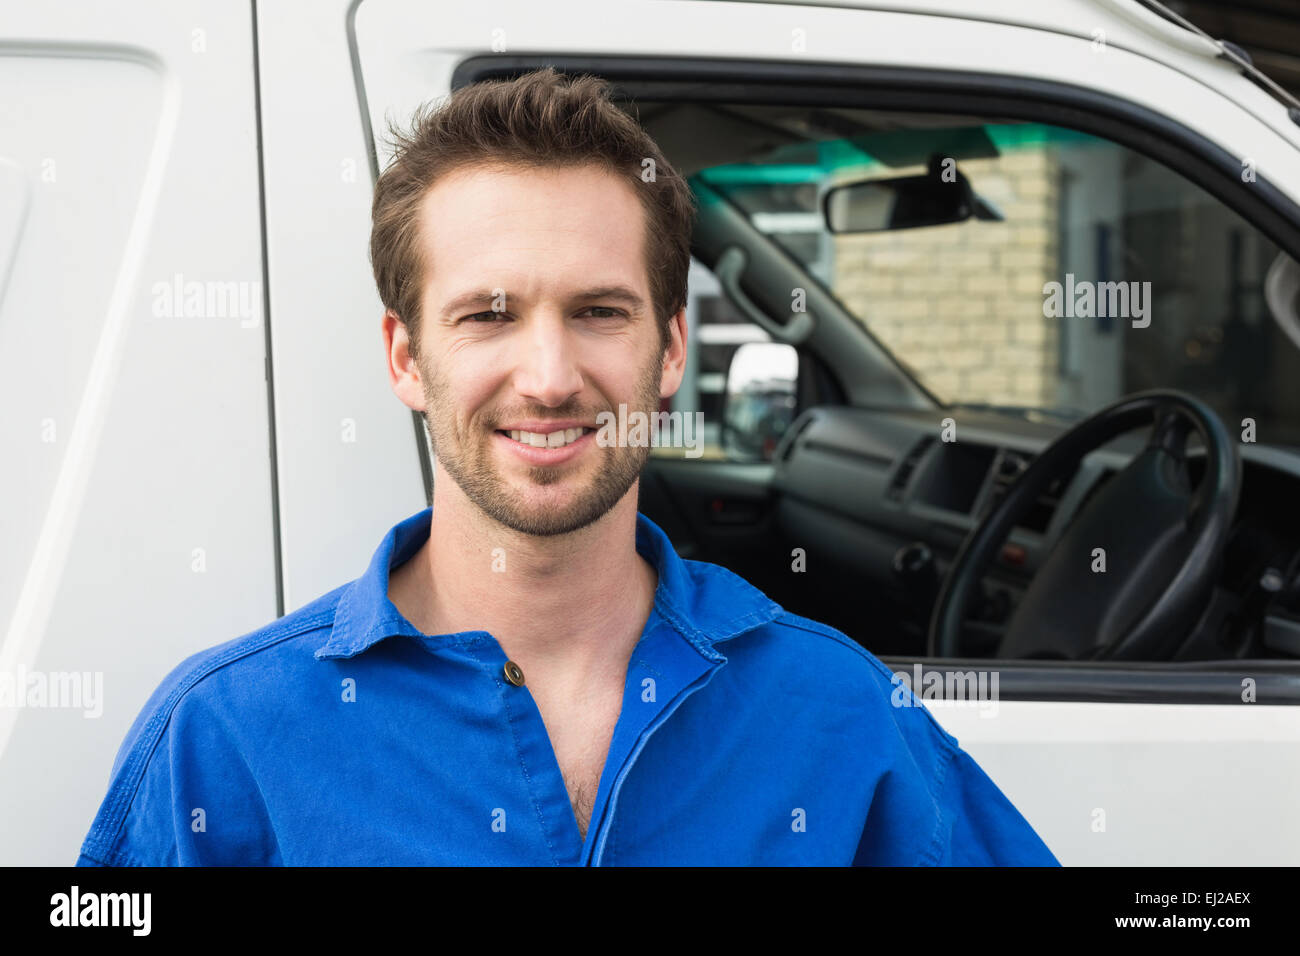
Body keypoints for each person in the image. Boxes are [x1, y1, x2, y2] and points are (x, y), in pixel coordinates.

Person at [76, 67, 1059, 866]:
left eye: (598, 311)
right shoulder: (223, 739)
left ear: (671, 349)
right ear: (406, 357)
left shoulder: (836, 715)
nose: (548, 378)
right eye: (488, 314)